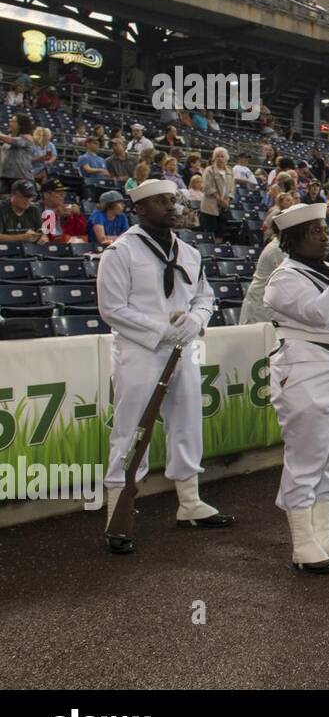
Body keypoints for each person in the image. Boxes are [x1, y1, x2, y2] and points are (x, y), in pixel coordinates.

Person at [96, 179, 232, 553]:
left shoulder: (189, 252)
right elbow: (112, 309)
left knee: (187, 422)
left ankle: (189, 502)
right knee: (131, 431)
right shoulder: (120, 252)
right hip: (140, 353)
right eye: (162, 202)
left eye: (174, 200)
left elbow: (205, 296)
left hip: (182, 351)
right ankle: (117, 511)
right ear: (140, 209)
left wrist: (197, 320)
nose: (173, 206)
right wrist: (161, 332)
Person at [264, 202, 329, 574]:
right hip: (305, 370)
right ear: (292, 240)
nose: (324, 236)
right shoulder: (283, 278)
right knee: (306, 456)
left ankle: (323, 530)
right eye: (313, 231)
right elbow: (316, 313)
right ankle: (302, 540)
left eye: (323, 229)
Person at [200, 147, 235, 241]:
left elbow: (232, 188)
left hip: (224, 207)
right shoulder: (209, 170)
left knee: (221, 232)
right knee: (210, 232)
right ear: (214, 158)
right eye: (217, 156)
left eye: (222, 156)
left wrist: (228, 200)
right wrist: (219, 199)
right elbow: (207, 187)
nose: (220, 158)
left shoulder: (230, 171)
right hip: (210, 206)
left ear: (226, 158)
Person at [0, 113, 36, 195]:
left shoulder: (27, 138)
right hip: (5, 176)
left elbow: (13, 141)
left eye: (13, 121)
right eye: (10, 120)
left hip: (21, 177)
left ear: (21, 124)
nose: (10, 122)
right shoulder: (8, 137)